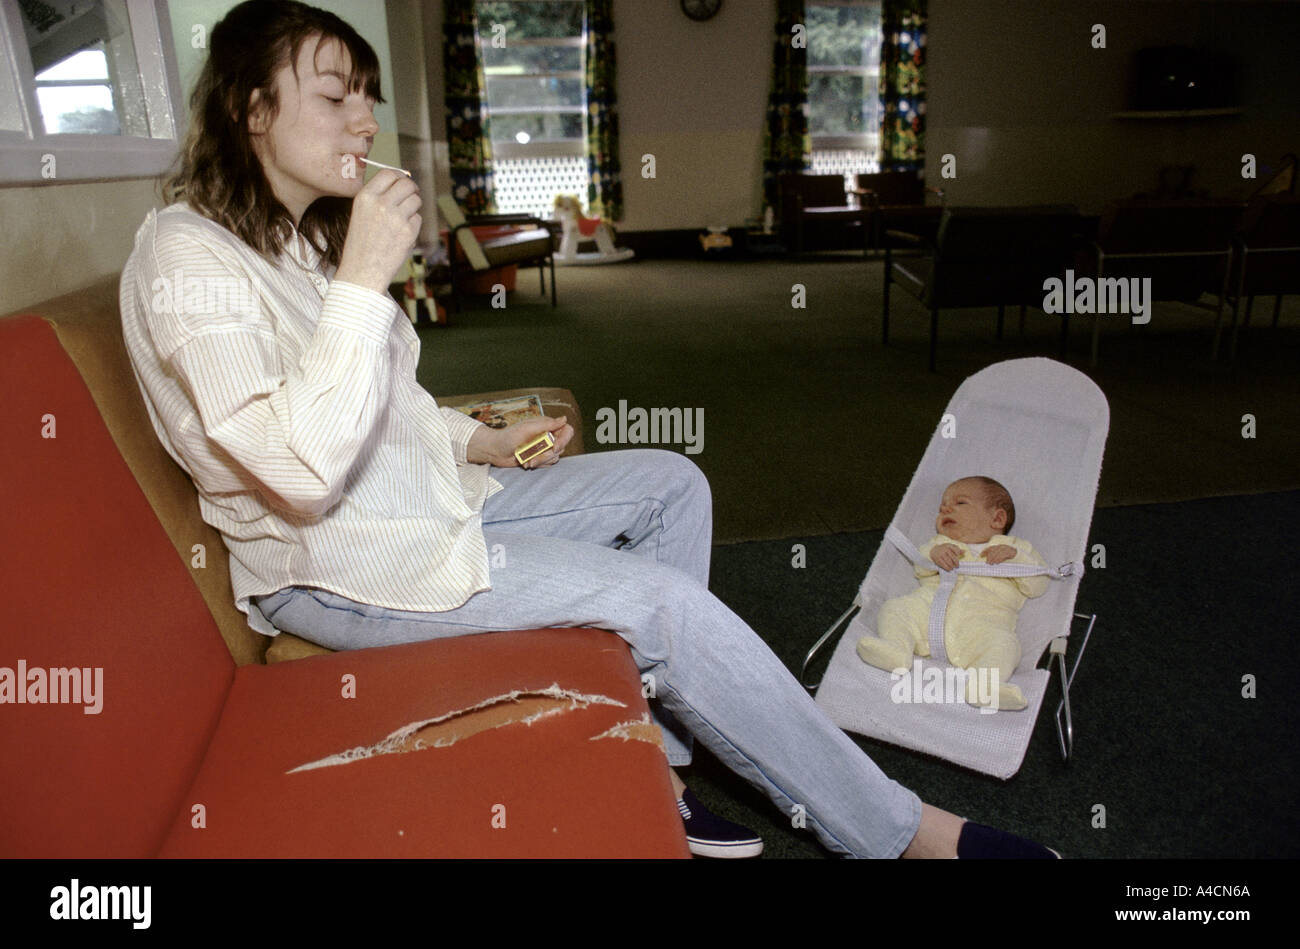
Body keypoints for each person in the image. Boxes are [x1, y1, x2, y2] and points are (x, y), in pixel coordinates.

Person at [119, 0, 1057, 859]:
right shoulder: (184, 254)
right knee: (663, 606)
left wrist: (478, 440)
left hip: (426, 506)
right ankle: (903, 831)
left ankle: (661, 764)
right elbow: (300, 468)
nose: (366, 120)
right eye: (336, 97)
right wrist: (366, 276)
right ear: (251, 110)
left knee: (672, 483)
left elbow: (385, 404)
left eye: (368, 95)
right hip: (339, 564)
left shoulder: (296, 236)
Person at [857, 477, 1049, 710]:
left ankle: (985, 686)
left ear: (997, 519)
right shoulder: (940, 542)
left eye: (960, 503)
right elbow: (921, 568)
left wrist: (1015, 557)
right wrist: (935, 554)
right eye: (941, 508)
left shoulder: (1018, 549)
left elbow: (1038, 585)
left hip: (982, 626)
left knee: (1005, 644)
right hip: (929, 611)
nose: (946, 509)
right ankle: (896, 649)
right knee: (896, 608)